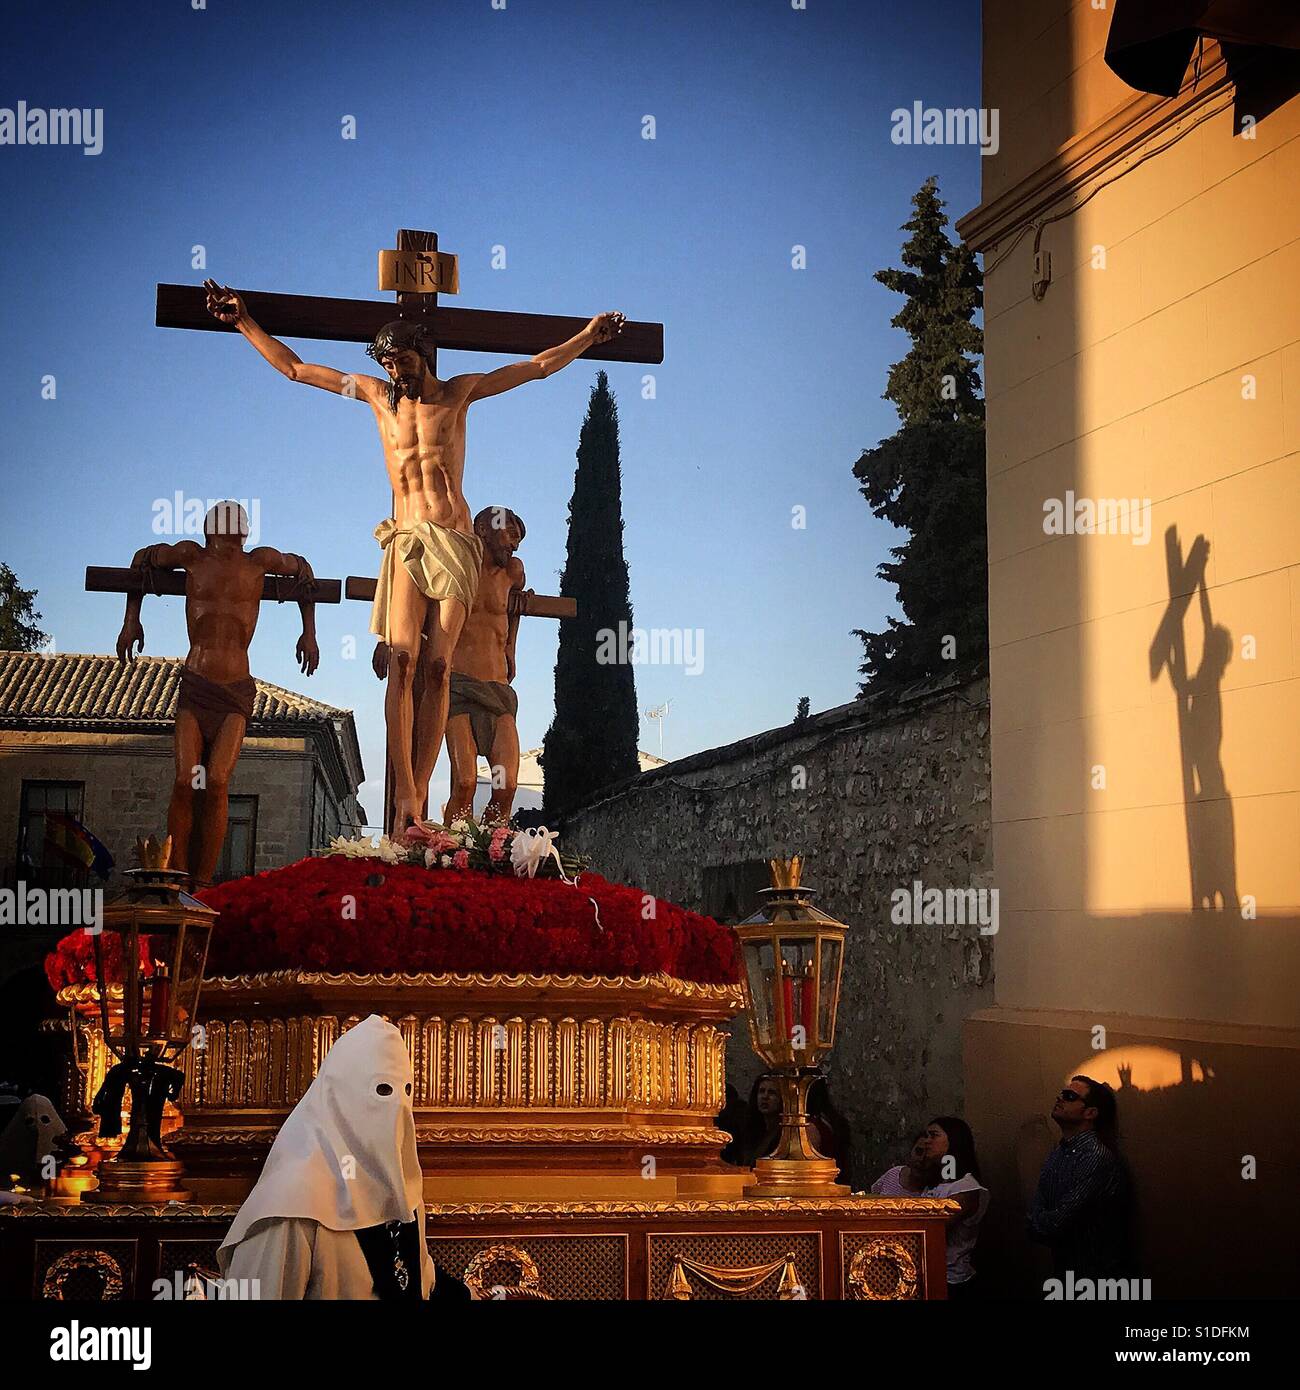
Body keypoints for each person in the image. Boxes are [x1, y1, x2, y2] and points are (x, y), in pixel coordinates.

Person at [205, 279, 624, 834]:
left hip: (453, 542)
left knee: (438, 666)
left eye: (402, 361)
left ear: (421, 355)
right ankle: (405, 787)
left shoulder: (459, 392)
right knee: (401, 660)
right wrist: (243, 322)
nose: (396, 373)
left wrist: (587, 337)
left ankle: (422, 784)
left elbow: (535, 367)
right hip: (406, 537)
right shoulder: (378, 397)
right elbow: (298, 369)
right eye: (388, 364)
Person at [115, 501, 319, 886]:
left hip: (235, 691)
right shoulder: (192, 556)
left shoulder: (258, 561)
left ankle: (204, 880)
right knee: (186, 780)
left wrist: (309, 631)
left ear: (242, 532)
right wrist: (131, 621)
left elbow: (304, 571)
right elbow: (142, 560)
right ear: (211, 529)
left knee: (218, 780)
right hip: (196, 684)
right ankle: (174, 874)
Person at [218, 1015, 468, 1300]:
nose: (398, 1106)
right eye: (382, 1090)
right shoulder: (292, 1207)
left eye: (406, 1091)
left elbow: (421, 1281)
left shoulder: (404, 1191)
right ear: (339, 1095)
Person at [443, 506, 528, 826]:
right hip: (459, 688)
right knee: (465, 783)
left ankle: (492, 850)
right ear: (483, 529)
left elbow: (515, 605)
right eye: (509, 535)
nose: (515, 545)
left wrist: (511, 647)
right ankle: (450, 851)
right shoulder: (457, 569)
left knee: (505, 785)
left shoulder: (513, 572)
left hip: (498, 689)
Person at [1028, 1075, 1131, 1283]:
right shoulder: (1061, 1150)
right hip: (1067, 1268)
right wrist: (1038, 1222)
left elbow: (1060, 1218)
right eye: (1062, 1094)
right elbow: (1041, 1197)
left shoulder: (1095, 1155)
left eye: (1070, 1096)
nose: (1060, 1098)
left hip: (1093, 1273)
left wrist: (1036, 1224)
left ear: (1090, 1113)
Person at [920, 1115, 989, 1297]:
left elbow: (936, 1227)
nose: (926, 1141)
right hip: (927, 1274)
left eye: (933, 1135)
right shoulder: (934, 1183)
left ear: (954, 1141)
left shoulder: (966, 1187)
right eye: (925, 1135)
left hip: (951, 1281)